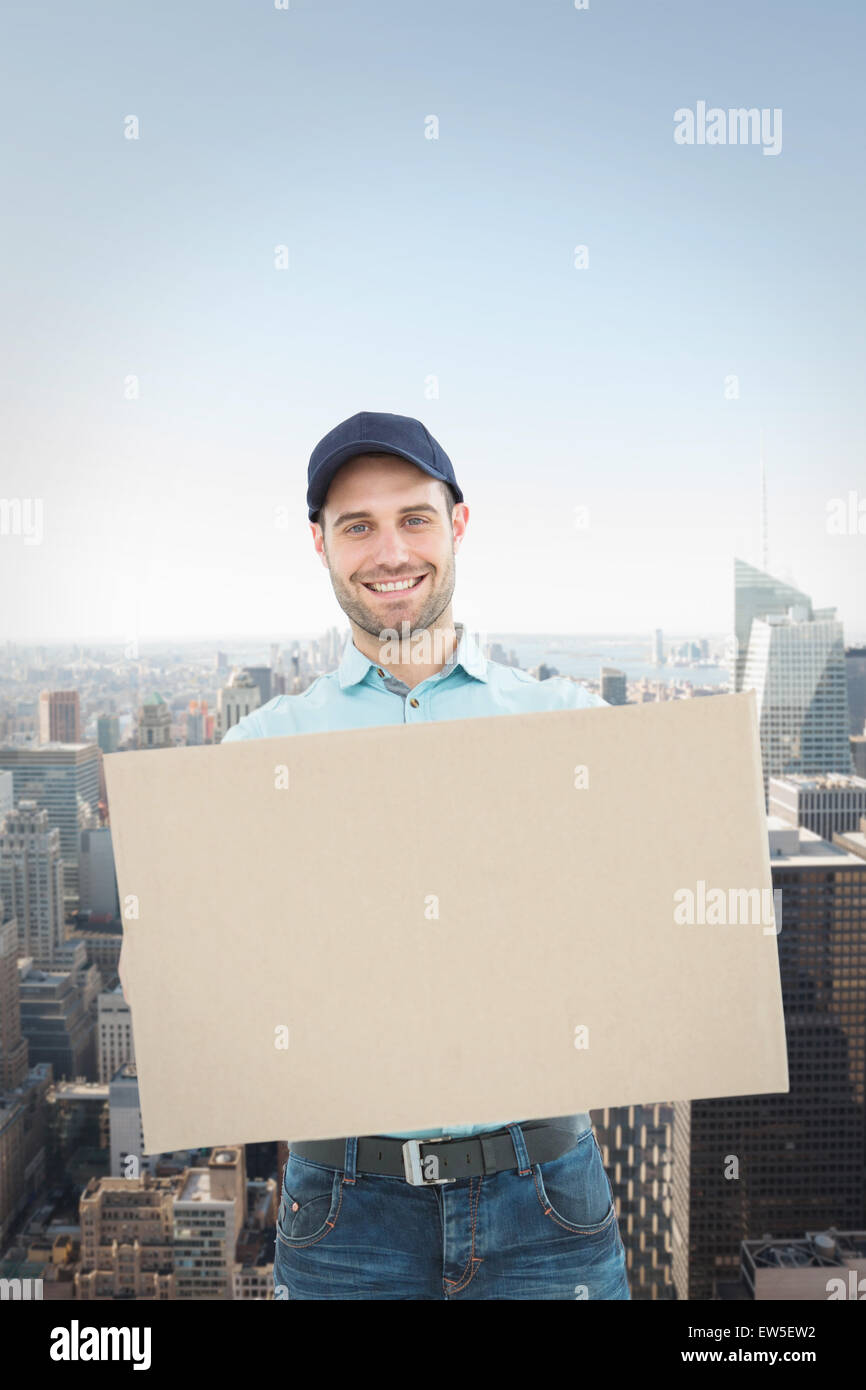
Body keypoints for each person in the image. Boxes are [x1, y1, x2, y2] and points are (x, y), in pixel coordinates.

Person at [224, 410, 630, 1300]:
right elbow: (215, 977)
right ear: (320, 545)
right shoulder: (257, 753)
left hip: (546, 1196)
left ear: (459, 524)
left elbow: (651, 930)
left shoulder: (570, 728)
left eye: (414, 518)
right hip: (344, 1211)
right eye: (357, 527)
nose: (390, 552)